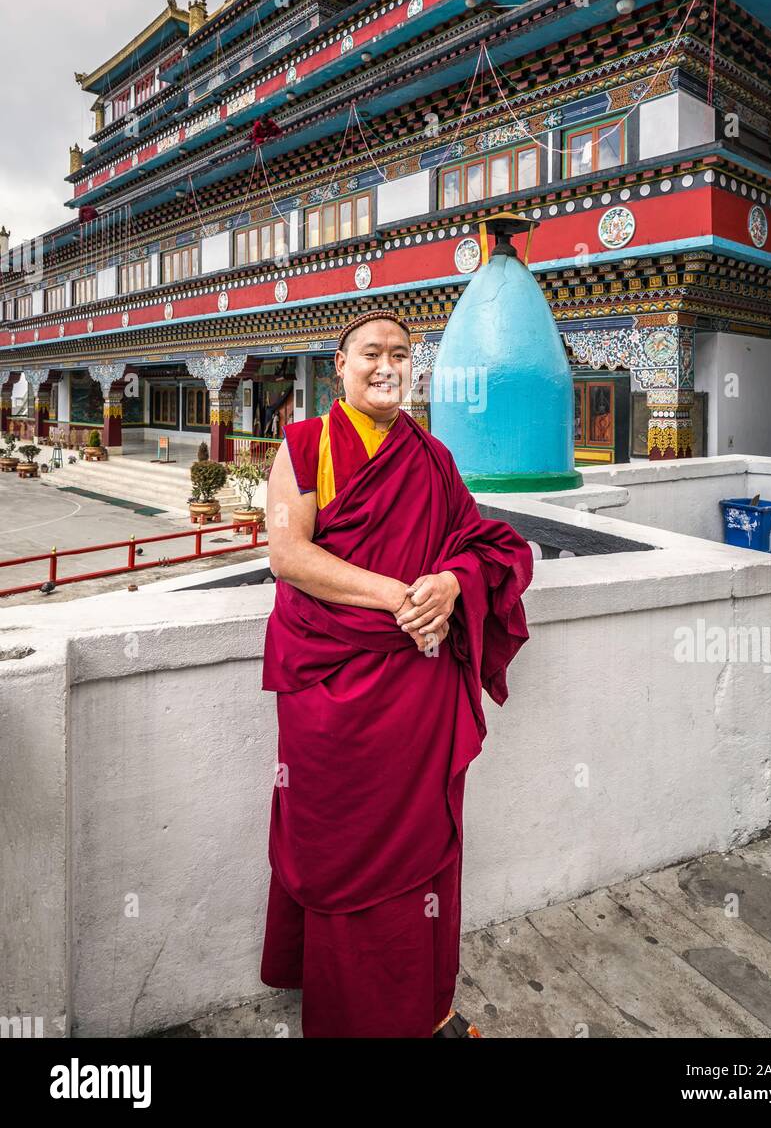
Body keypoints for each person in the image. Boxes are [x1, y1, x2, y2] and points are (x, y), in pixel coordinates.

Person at [259, 308, 534, 1038]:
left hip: (417, 685)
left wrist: (448, 583)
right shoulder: (305, 444)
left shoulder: (432, 456)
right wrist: (400, 596)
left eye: (402, 355)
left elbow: (485, 544)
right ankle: (349, 1014)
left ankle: (421, 1009)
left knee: (418, 851)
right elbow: (289, 556)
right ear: (340, 365)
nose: (388, 367)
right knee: (338, 839)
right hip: (332, 684)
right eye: (371, 354)